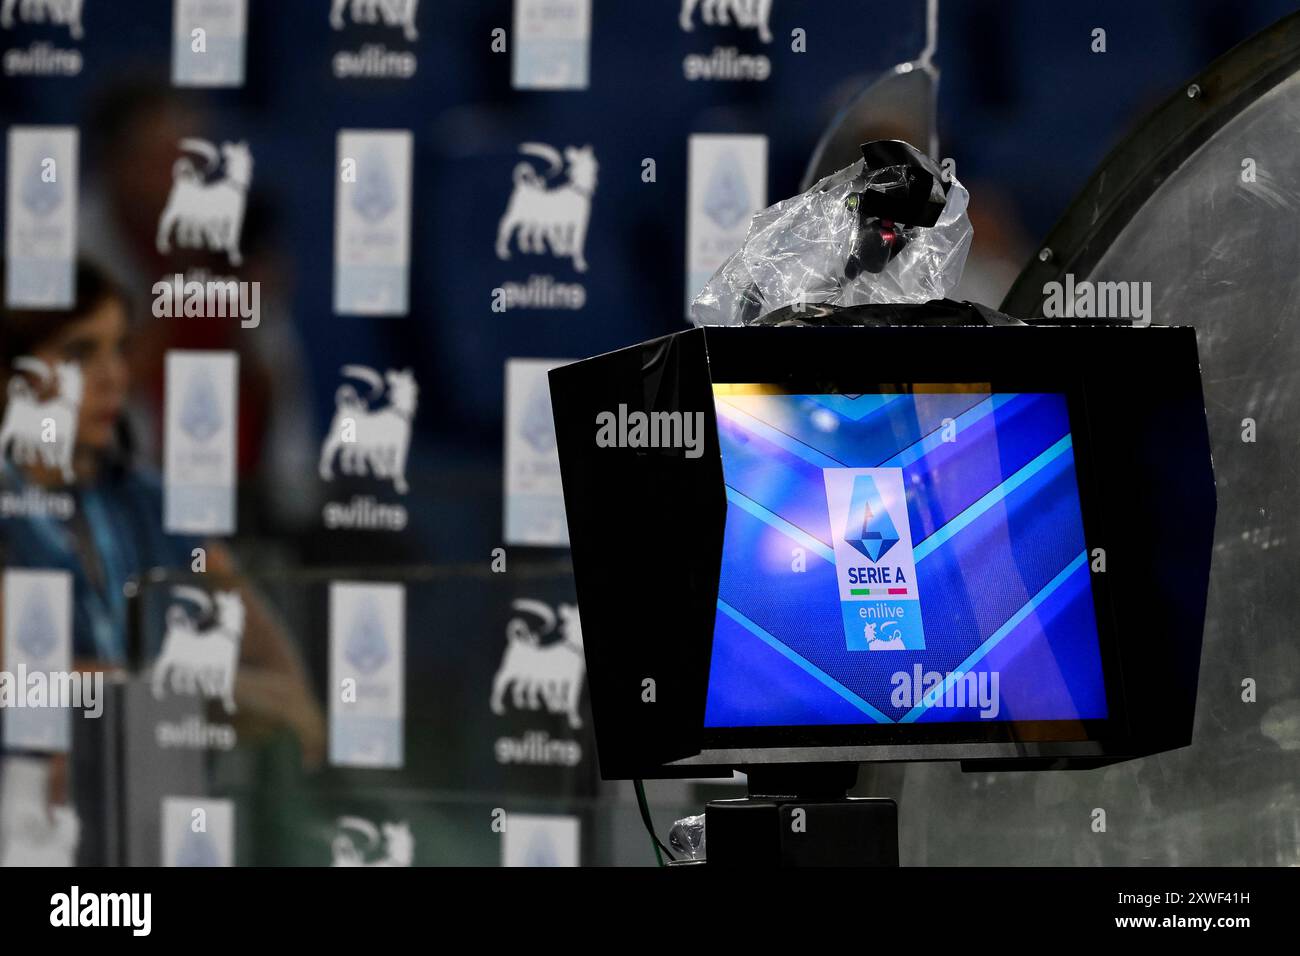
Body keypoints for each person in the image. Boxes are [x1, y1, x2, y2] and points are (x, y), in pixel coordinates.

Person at [0, 260, 325, 865]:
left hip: (150, 813)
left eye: (119, 349)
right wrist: (198, 691)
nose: (113, 378)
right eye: (77, 355)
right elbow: (21, 684)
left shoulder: (155, 501)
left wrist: (157, 696)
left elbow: (284, 687)